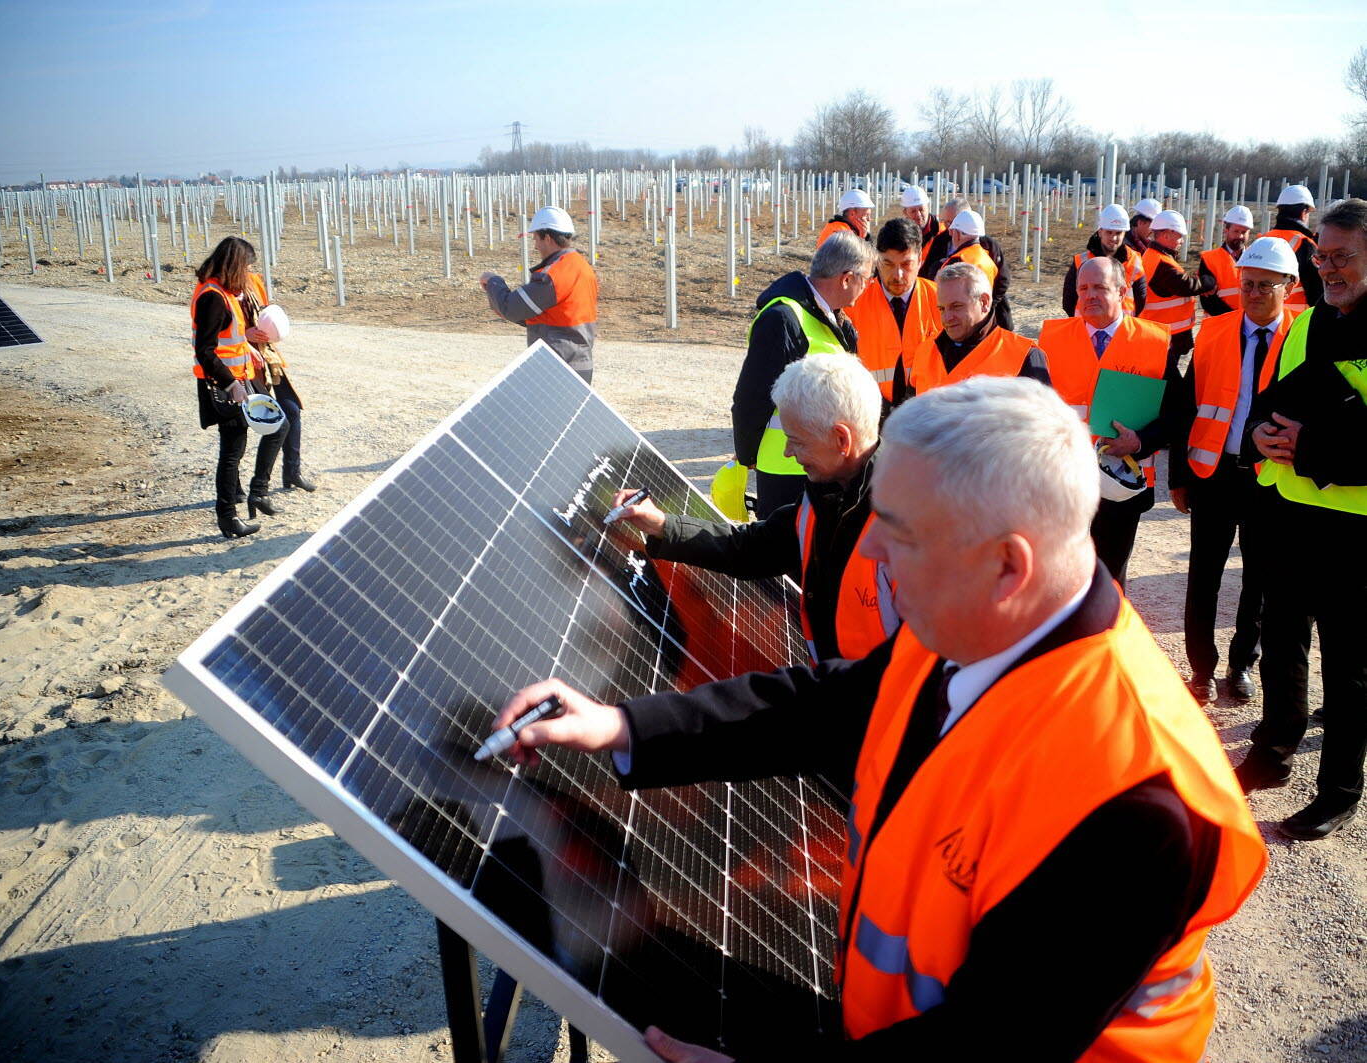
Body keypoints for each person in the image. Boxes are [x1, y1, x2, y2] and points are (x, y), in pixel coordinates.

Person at [492, 376, 1266, 1063]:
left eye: (900, 534)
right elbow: (820, 703)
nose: (877, 558)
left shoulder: (1136, 805)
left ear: (1008, 564)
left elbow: (986, 1044)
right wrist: (623, 726)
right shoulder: (981, 628)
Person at [613, 354, 895, 663]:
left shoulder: (911, 525)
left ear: (841, 438)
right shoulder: (824, 496)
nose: (788, 452)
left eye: (796, 441)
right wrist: (663, 525)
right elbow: (750, 548)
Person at [1235, 198, 1367, 840]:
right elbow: (1270, 403)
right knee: (1283, 641)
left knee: (1348, 666)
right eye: (1323, 256)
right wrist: (1258, 436)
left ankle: (1340, 789)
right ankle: (1274, 751)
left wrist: (1312, 447)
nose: (1330, 268)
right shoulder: (1309, 325)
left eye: (1345, 256)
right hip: (1290, 517)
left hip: (1357, 532)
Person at [1170, 237, 1301, 706]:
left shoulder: (1303, 338)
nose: (1255, 293)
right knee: (1203, 575)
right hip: (1215, 473)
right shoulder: (1214, 332)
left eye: (1267, 284)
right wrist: (1178, 475)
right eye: (1247, 283)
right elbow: (1189, 403)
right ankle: (1201, 670)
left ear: (1290, 285)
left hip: (1271, 479)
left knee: (1259, 578)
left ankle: (1241, 663)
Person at [1038, 257, 1181, 586]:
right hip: (1064, 482)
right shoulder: (1051, 340)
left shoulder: (1154, 342)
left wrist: (1141, 441)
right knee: (1062, 577)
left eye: (1100, 287)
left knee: (1109, 580)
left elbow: (1177, 413)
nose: (1090, 295)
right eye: (1083, 288)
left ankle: (1107, 635)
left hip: (1122, 484)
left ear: (1122, 291)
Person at [733, 231, 873, 519]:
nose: (868, 287)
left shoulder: (834, 319)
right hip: (787, 472)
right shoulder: (783, 319)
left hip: (821, 466)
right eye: (867, 279)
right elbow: (751, 398)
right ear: (846, 278)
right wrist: (747, 458)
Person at [190, 236, 284, 540]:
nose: (248, 273)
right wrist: (231, 384)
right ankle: (228, 517)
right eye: (245, 266)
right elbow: (205, 350)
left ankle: (253, 495)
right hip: (223, 385)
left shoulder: (225, 293)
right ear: (234, 265)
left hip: (239, 378)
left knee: (275, 427)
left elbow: (231, 336)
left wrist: (247, 347)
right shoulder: (212, 297)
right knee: (232, 452)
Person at [480, 205, 599, 384]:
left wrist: (493, 282)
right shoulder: (581, 266)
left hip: (557, 367)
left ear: (548, 238)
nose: (535, 246)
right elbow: (544, 315)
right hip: (579, 363)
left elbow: (511, 308)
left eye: (536, 239)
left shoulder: (554, 275)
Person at [902, 262, 1047, 399]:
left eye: (956, 306)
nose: (947, 317)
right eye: (942, 308)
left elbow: (1044, 422)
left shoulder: (1024, 356)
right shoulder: (924, 352)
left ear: (984, 302)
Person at [843, 218, 940, 407]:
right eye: (888, 264)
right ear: (877, 261)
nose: (898, 275)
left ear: (920, 260)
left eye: (906, 264)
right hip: (870, 411)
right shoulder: (853, 303)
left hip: (928, 413)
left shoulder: (941, 300)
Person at [240, 270, 315, 493]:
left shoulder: (253, 281)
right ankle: (241, 489)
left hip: (267, 357)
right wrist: (244, 335)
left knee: (291, 410)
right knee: (239, 429)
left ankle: (292, 472)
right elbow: (216, 333)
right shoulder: (218, 292)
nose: (246, 268)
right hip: (242, 365)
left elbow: (265, 312)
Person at [919, 208, 1012, 329]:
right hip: (983, 318)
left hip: (961, 322)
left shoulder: (957, 261)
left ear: (958, 234)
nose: (951, 235)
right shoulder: (987, 258)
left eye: (952, 232)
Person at [1141, 209, 1216, 359]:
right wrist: (1209, 281)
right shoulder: (1162, 263)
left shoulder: (1157, 257)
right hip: (1165, 336)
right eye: (1180, 236)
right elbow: (1185, 285)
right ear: (1166, 234)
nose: (1182, 241)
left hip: (1163, 333)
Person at [1061, 203, 1146, 317]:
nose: (1114, 238)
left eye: (1118, 233)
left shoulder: (1134, 261)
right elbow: (1069, 301)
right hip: (1087, 328)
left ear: (1124, 233)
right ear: (1100, 232)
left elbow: (1141, 300)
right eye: (1109, 232)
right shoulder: (1081, 261)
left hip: (1122, 330)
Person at [1262, 184, 1322, 309]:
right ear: (1303, 213)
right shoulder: (1305, 244)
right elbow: (1317, 293)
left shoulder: (1262, 240)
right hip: (1295, 322)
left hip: (1262, 320)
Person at [1196, 205, 1253, 317]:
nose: (1240, 236)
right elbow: (1207, 301)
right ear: (1226, 230)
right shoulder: (1209, 259)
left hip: (1248, 326)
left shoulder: (1256, 258)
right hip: (1220, 325)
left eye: (1244, 232)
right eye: (1236, 231)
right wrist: (1233, 318)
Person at [899, 185, 942, 260]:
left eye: (921, 209)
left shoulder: (942, 232)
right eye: (913, 211)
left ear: (928, 208)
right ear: (905, 212)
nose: (918, 215)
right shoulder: (898, 235)